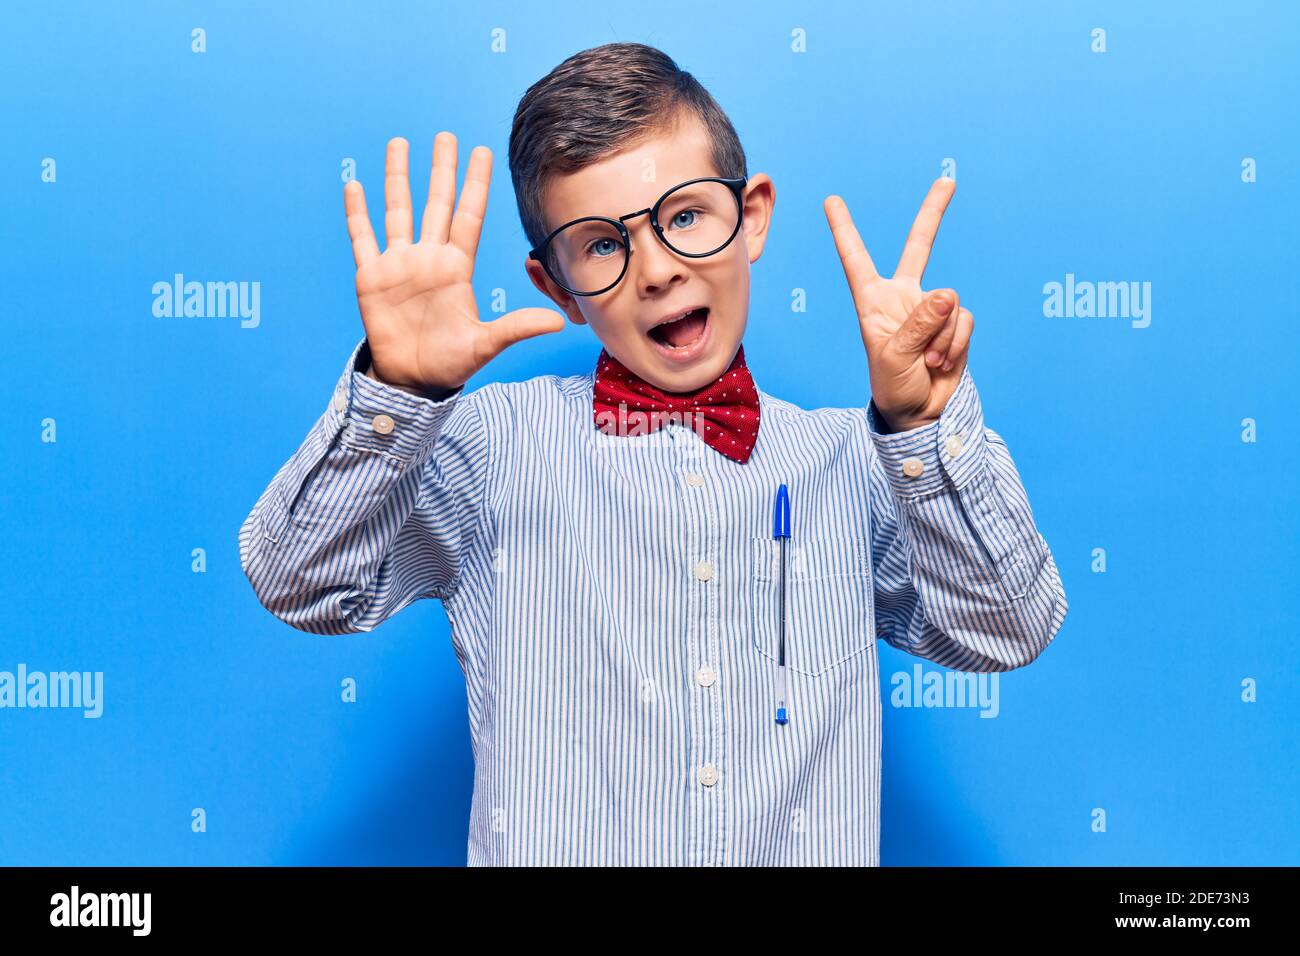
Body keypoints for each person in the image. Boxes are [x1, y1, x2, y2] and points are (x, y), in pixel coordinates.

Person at [239, 41, 1068, 866]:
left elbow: (1008, 628)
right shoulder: (493, 449)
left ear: (752, 217)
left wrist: (922, 427)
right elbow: (297, 582)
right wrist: (398, 394)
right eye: (602, 244)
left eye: (685, 216)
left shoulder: (854, 461)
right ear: (555, 288)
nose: (659, 270)